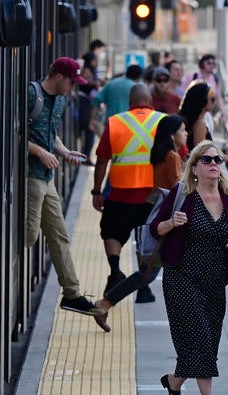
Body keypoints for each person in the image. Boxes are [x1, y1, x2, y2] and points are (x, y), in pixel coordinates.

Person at [152, 141, 228, 395]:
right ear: (194, 167)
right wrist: (172, 222)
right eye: (207, 160)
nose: (214, 165)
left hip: (215, 281)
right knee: (201, 342)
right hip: (181, 278)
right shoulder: (182, 195)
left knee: (208, 343)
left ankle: (174, 382)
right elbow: (154, 229)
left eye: (218, 160)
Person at [26, 57, 106, 323]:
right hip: (29, 176)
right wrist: (39, 152)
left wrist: (62, 151)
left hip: (46, 178)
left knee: (59, 235)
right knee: (29, 235)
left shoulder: (59, 100)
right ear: (59, 76)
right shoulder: (31, 94)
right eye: (72, 82)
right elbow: (9, 132)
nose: (73, 88)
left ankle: (72, 294)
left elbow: (50, 132)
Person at [91, 115, 188, 324]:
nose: (186, 133)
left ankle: (105, 304)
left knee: (152, 271)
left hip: (161, 217)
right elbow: (177, 191)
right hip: (169, 222)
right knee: (148, 273)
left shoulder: (161, 155)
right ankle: (104, 303)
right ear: (172, 135)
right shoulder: (172, 157)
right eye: (182, 129)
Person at [91, 83, 165, 303]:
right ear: (150, 99)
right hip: (153, 197)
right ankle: (142, 289)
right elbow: (178, 156)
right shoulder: (163, 122)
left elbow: (102, 160)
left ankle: (115, 270)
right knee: (146, 242)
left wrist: (97, 191)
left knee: (111, 232)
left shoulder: (115, 122)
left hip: (120, 194)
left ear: (129, 102)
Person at [78, 40, 106, 160]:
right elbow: (87, 83)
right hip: (86, 104)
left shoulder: (88, 70)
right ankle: (86, 157)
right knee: (90, 130)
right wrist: (96, 83)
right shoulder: (86, 71)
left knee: (90, 131)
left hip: (87, 103)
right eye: (94, 60)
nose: (96, 62)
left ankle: (85, 156)